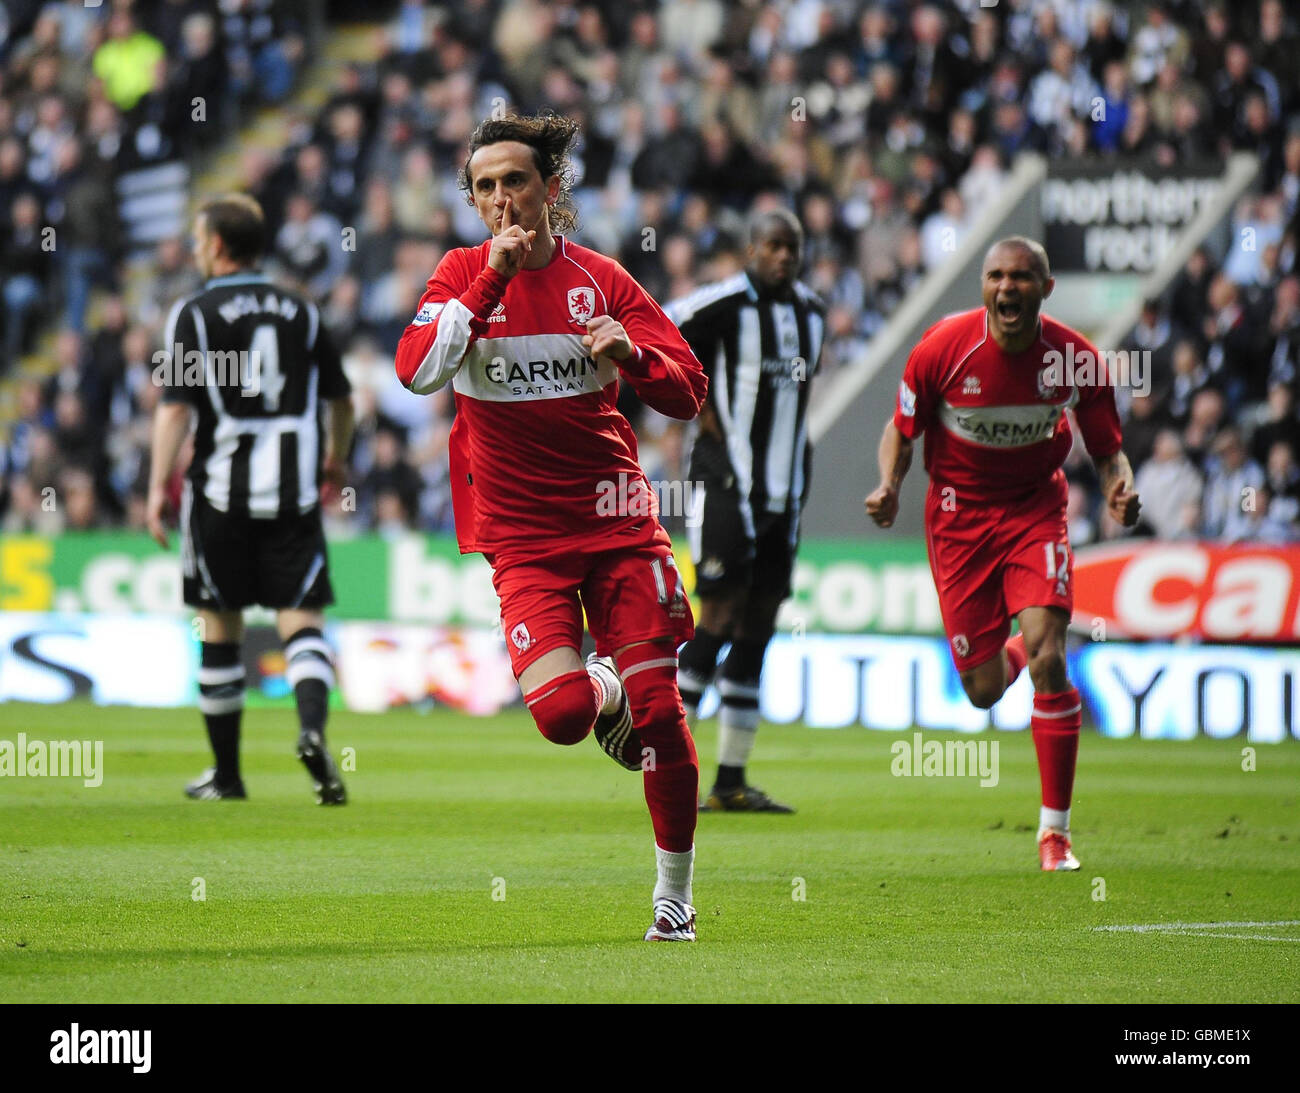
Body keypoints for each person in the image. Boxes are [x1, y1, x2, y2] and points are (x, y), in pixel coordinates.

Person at [394, 114, 708, 942]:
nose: (502, 199)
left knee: (661, 709)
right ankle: (599, 681)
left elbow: (689, 389)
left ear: (551, 189)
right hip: (524, 540)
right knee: (565, 715)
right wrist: (487, 284)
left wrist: (634, 357)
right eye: (486, 186)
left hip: (618, 525)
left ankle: (673, 900)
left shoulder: (600, 279)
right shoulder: (460, 276)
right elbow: (419, 371)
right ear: (471, 199)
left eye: (517, 181)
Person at [865, 236, 1141, 872]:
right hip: (958, 520)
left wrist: (1118, 490)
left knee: (1051, 659)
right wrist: (889, 485)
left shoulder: (1076, 361)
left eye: (1022, 277)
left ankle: (1054, 835)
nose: (1007, 287)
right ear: (983, 285)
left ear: (1045, 288)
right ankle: (1019, 647)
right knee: (985, 690)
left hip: (1034, 511)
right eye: (996, 276)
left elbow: (1106, 451)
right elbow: (900, 431)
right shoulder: (942, 348)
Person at [147, 194, 355, 805]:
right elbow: (342, 402)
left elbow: (175, 411)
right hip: (292, 493)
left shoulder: (194, 313)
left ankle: (228, 776)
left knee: (219, 626)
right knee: (303, 623)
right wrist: (334, 459)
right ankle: (312, 732)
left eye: (196, 240)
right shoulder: (303, 310)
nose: (193, 250)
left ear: (215, 246)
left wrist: (158, 487)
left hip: (219, 495)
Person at [668, 209, 825, 813]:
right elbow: (661, 330)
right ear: (752, 247)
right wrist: (698, 406)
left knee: (758, 627)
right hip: (727, 481)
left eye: (794, 247)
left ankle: (730, 780)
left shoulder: (811, 313)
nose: (784, 256)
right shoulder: (722, 303)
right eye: (774, 246)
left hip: (785, 490)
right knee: (718, 615)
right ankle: (662, 760)